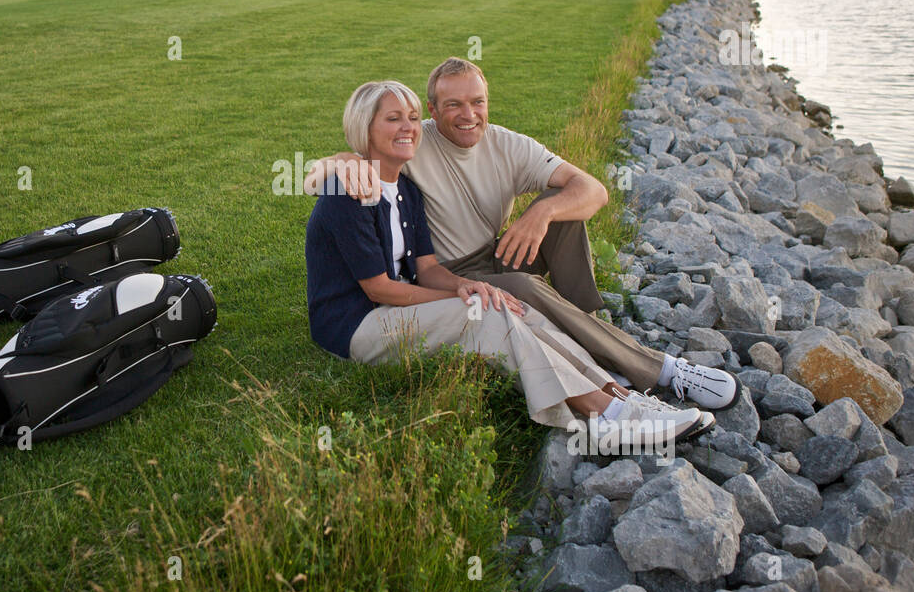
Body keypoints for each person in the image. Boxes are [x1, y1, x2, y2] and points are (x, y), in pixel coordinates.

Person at [305, 57, 738, 412]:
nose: (468, 115)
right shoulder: (415, 146)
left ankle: (589, 331)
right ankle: (654, 373)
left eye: (477, 102)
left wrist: (542, 212)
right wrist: (342, 163)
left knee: (564, 212)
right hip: (443, 272)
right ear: (436, 112)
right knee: (517, 291)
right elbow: (334, 172)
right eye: (452, 105)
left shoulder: (504, 145)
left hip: (488, 256)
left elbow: (594, 190)